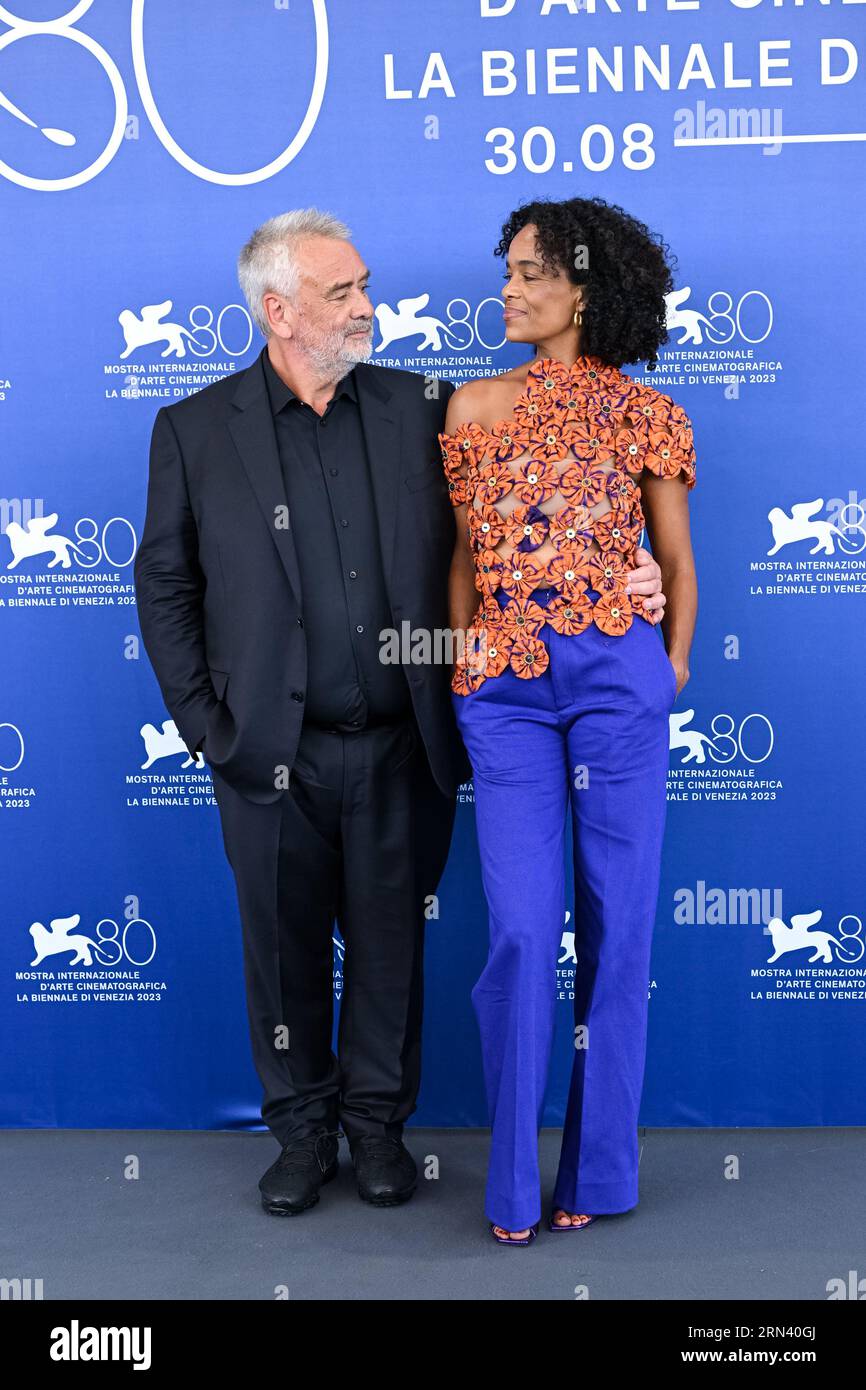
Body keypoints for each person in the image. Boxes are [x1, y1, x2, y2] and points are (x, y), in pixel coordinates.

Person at [133, 205, 667, 1221]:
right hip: (266, 754)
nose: (366, 306)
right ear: (277, 309)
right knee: (281, 954)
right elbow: (164, 583)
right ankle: (298, 1136)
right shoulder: (195, 431)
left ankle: (378, 1133)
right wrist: (208, 727)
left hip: (399, 744)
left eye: (364, 285)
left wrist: (634, 570)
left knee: (390, 951)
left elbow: (535, 514)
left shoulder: (428, 407)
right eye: (343, 293)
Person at [439, 196, 698, 1244]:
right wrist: (459, 657)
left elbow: (675, 563)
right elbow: (461, 554)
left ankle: (595, 1166)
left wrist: (667, 668)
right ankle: (509, 1185)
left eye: (531, 272)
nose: (508, 288)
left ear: (585, 290)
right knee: (514, 928)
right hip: (502, 694)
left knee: (616, 925)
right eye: (505, 270)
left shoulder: (646, 413)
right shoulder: (467, 408)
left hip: (616, 686)